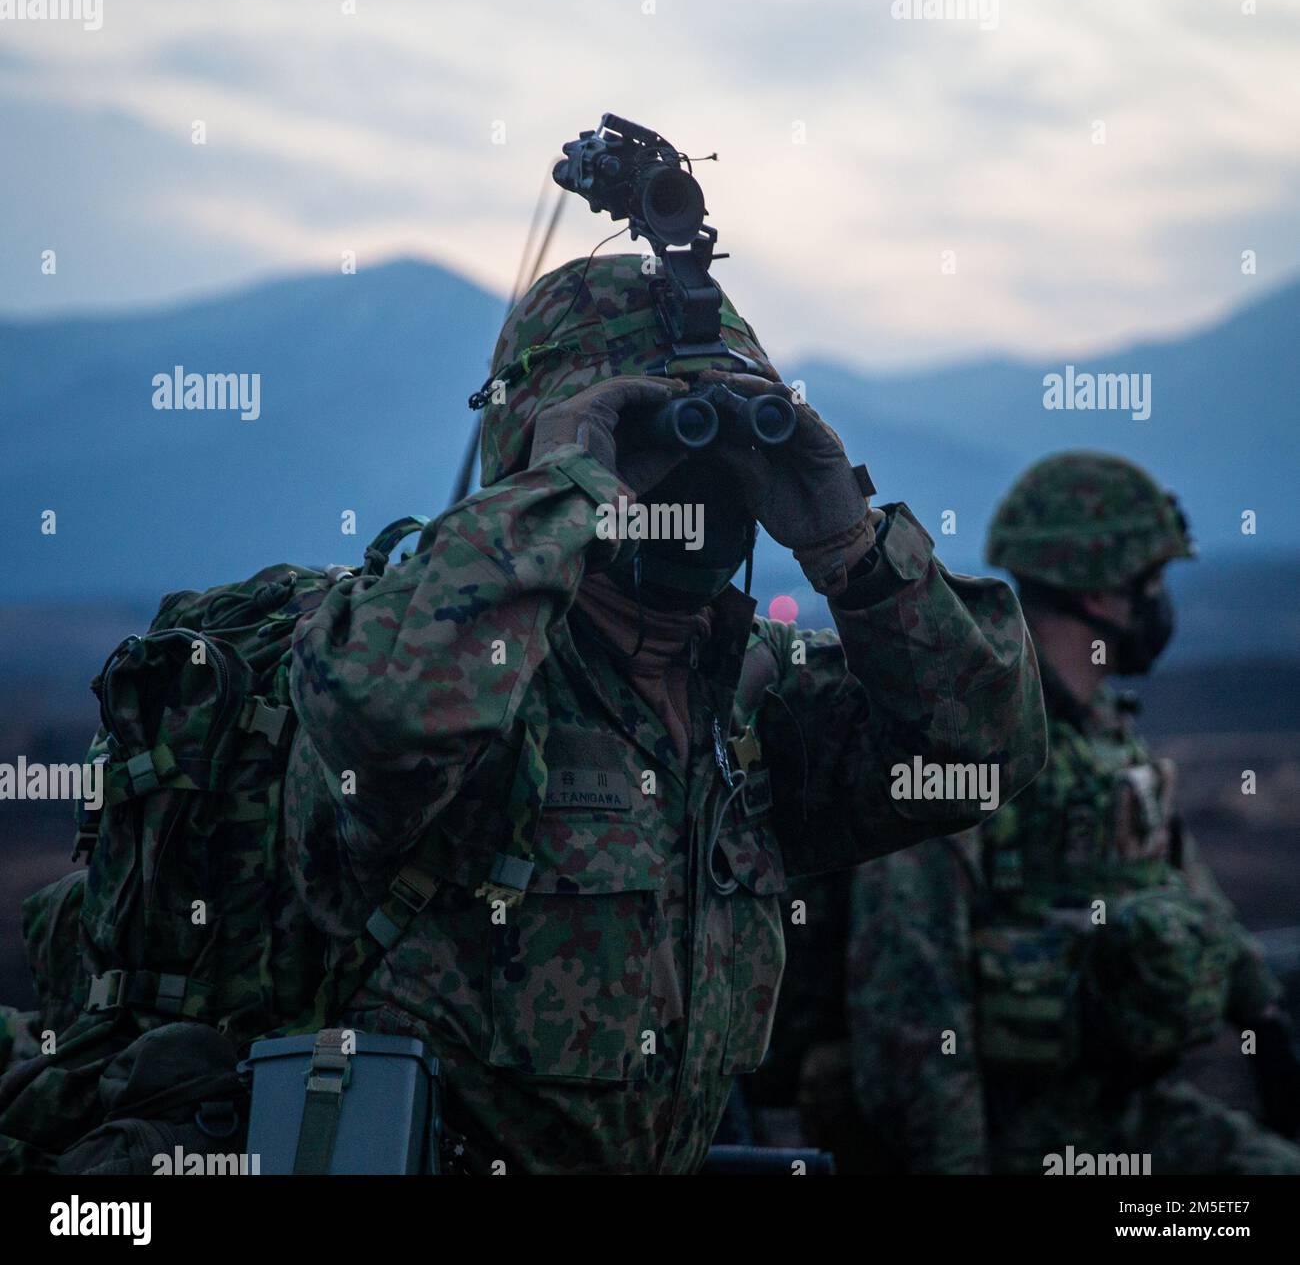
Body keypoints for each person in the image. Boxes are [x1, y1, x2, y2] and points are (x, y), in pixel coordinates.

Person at [281, 252, 1047, 1174]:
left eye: (721, 438)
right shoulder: (445, 668)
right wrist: (566, 491)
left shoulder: (753, 701)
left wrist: (854, 548)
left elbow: (985, 755)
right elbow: (388, 723)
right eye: (650, 432)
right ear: (535, 451)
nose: (693, 479)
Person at [802, 451, 1300, 1174]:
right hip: (1016, 1139)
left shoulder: (1104, 733)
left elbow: (1183, 881)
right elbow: (910, 1010)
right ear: (1099, 596)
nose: (1162, 607)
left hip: (1118, 1113)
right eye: (1152, 583)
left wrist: (1264, 1018)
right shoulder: (974, 744)